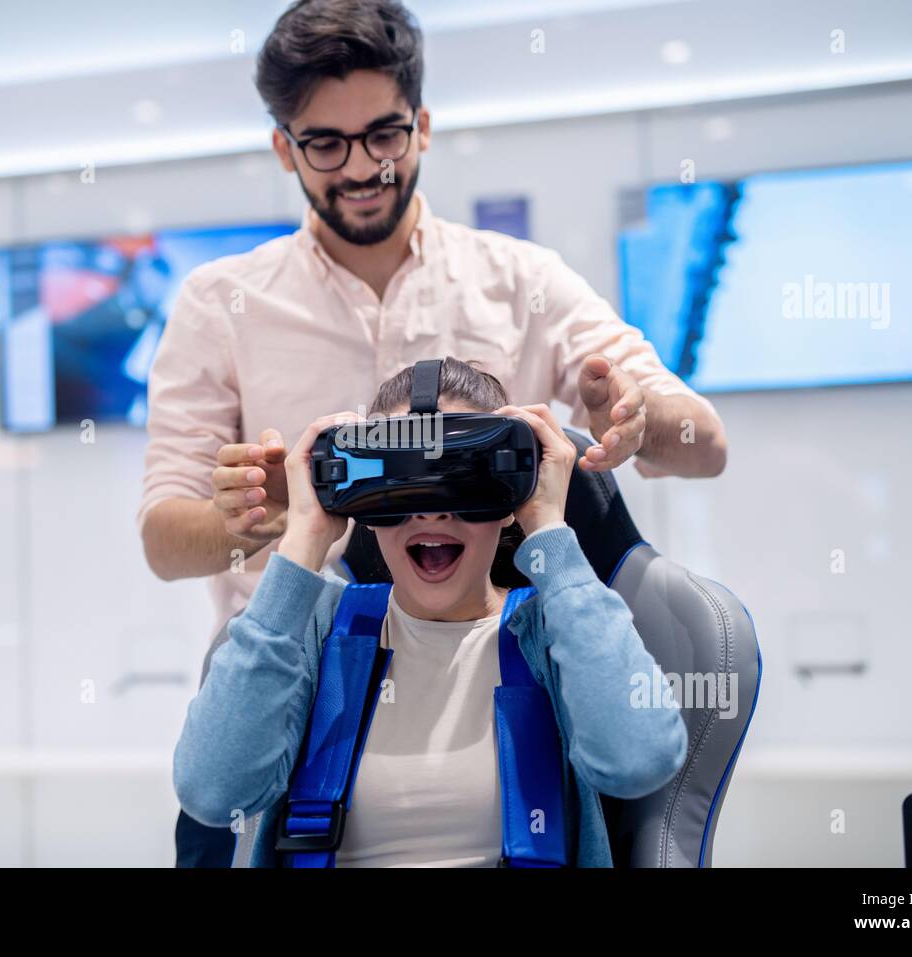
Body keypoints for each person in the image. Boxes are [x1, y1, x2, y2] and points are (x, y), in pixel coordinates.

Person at [140, 0, 726, 865]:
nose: (361, 167)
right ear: (284, 149)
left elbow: (702, 443)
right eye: (325, 144)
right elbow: (163, 538)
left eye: (383, 135)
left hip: (507, 669)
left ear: (421, 126)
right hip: (289, 693)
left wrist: (635, 421)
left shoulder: (521, 279)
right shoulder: (218, 303)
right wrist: (260, 522)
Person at [173, 359, 688, 866]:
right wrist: (304, 539)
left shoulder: (557, 631)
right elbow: (214, 794)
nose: (431, 511)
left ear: (510, 498)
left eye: (463, 481)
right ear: (362, 505)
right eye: (400, 484)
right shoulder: (316, 629)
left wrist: (549, 527)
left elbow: (637, 761)